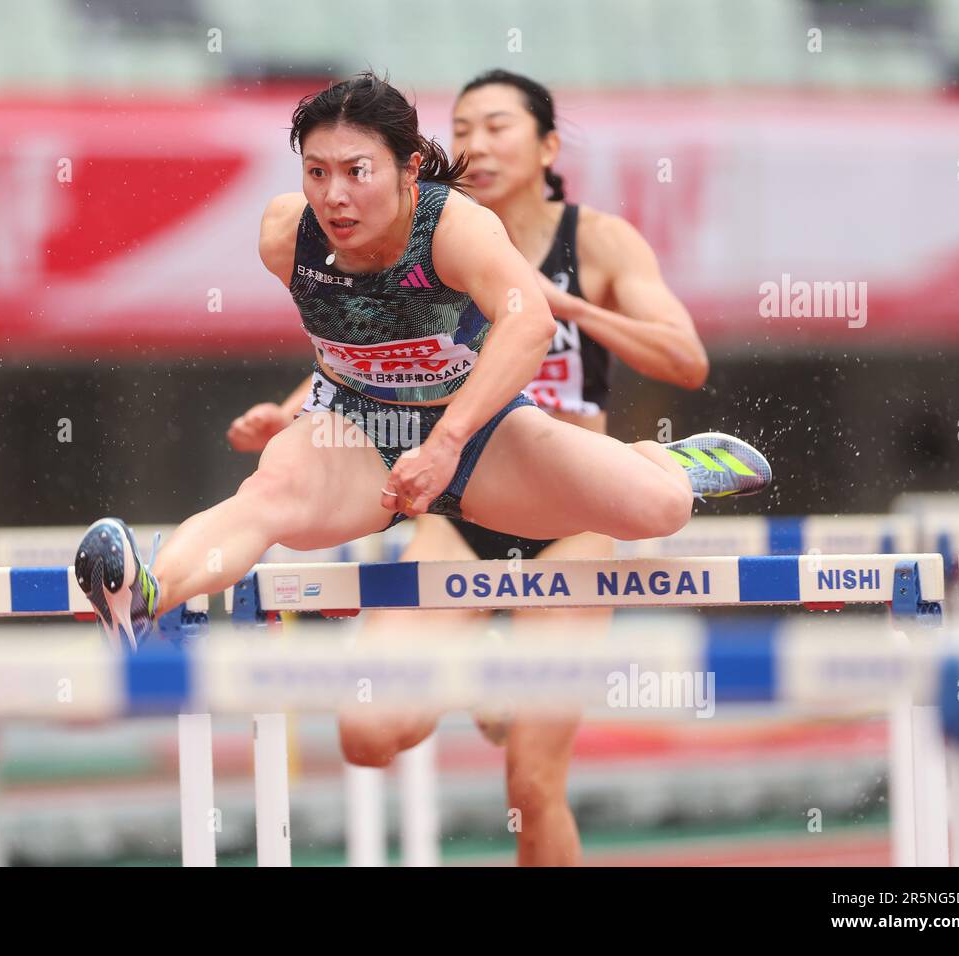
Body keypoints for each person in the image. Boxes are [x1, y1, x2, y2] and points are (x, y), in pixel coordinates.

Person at [76, 69, 769, 686]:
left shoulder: (455, 228)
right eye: (316, 173)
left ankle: (666, 463)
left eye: (356, 171)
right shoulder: (285, 237)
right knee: (270, 496)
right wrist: (294, 409)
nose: (334, 197)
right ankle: (144, 593)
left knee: (657, 511)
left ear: (409, 170)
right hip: (357, 428)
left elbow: (528, 325)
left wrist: (445, 445)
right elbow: (341, 343)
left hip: (478, 435)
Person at [225, 71, 720, 865]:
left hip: (568, 521)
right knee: (369, 732)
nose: (477, 144)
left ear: (548, 147)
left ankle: (512, 686)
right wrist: (289, 417)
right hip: (458, 515)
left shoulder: (596, 241)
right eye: (463, 127)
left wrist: (566, 308)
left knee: (531, 783)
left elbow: (687, 359)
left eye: (498, 127)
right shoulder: (424, 233)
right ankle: (473, 673)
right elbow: (364, 362)